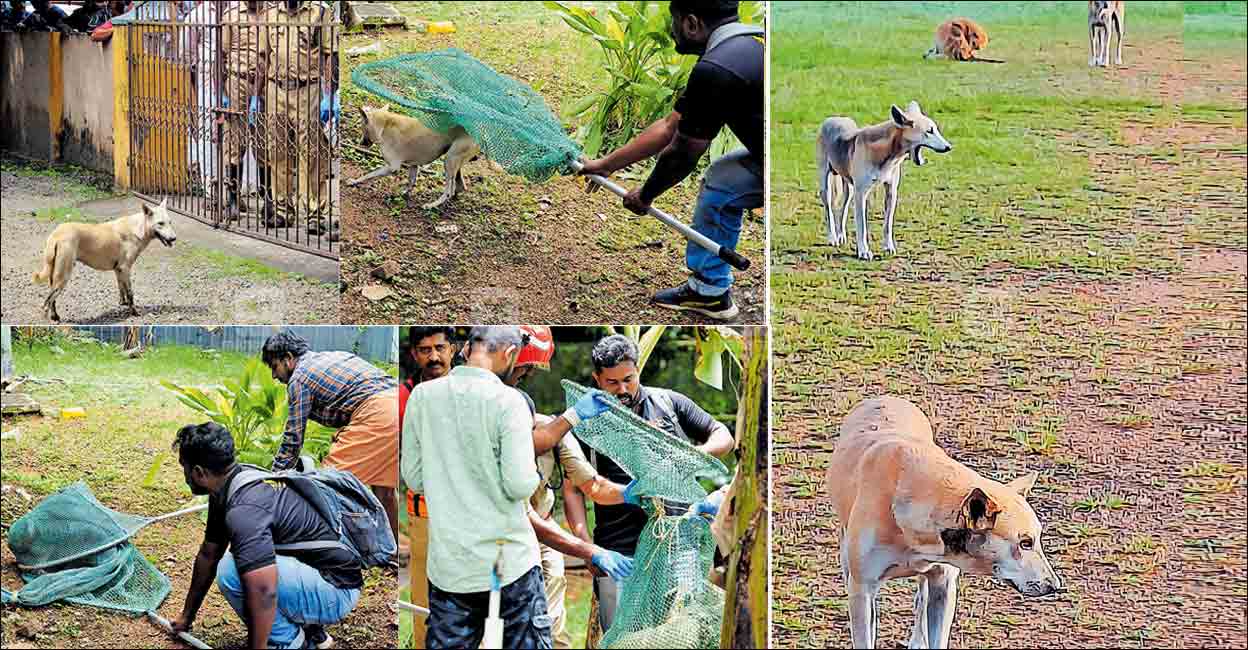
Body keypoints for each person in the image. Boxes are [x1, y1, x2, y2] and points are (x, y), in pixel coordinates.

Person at [401, 326, 613, 649]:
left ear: (466, 348)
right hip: (511, 565)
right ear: (510, 354)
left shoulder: (422, 397)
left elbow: (414, 478)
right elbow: (519, 485)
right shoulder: (509, 401)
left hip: (451, 568)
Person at [578, 0, 763, 321]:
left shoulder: (716, 69)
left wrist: (646, 195)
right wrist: (607, 164)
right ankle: (709, 291)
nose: (671, 29)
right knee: (722, 178)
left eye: (673, 21)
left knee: (723, 180)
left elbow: (684, 152)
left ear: (691, 24)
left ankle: (710, 288)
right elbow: (670, 126)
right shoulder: (746, 46)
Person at [574, 334, 734, 642]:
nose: (622, 389)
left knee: (683, 635)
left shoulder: (668, 403)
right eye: (611, 383)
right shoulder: (587, 423)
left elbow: (722, 435)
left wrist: (694, 454)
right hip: (619, 551)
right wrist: (587, 549)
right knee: (623, 639)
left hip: (679, 545)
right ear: (596, 379)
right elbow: (573, 489)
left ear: (638, 371)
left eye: (628, 380)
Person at [171, 422, 362, 650]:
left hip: (337, 589)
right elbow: (209, 554)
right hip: (321, 573)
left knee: (232, 572)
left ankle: (290, 641)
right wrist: (186, 617)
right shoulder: (231, 484)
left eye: (184, 467)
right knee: (244, 563)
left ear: (199, 472)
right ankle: (311, 630)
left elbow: (264, 592)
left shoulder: (244, 510)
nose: (184, 475)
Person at [505, 326, 636, 650]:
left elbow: (590, 484)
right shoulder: (500, 446)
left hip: (544, 527)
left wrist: (630, 492)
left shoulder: (553, 430)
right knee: (506, 621)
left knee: (552, 625)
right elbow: (525, 518)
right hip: (508, 532)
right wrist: (588, 548)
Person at [261, 330, 400, 550]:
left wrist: (272, 478)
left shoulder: (300, 378)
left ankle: (332, 552)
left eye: (274, 366)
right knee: (383, 488)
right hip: (399, 403)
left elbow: (293, 438)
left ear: (288, 358)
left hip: (377, 413)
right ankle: (393, 548)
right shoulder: (329, 357)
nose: (274, 376)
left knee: (327, 485)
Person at [397, 325, 457, 648]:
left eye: (440, 348)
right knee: (422, 597)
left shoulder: (466, 393)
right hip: (422, 515)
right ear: (414, 354)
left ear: (454, 349)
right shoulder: (406, 397)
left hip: (464, 515)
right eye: (425, 350)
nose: (434, 356)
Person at [261, 0, 337, 232]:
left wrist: (330, 93)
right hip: (277, 88)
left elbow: (330, 55)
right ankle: (283, 209)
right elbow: (265, 55)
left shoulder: (320, 12)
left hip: (309, 89)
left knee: (311, 151)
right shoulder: (271, 14)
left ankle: (314, 212)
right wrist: (261, 94)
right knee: (277, 149)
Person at [221, 0, 274, 224]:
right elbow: (222, 55)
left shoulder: (272, 13)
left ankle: (268, 200)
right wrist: (221, 91)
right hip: (238, 82)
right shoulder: (231, 15)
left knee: (265, 142)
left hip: (265, 85)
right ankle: (233, 198)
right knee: (235, 141)